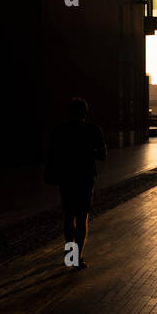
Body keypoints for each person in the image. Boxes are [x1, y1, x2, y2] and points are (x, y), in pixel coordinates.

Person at [46, 97, 107, 268]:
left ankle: (70, 255)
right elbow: (103, 156)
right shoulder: (93, 129)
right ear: (85, 113)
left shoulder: (60, 130)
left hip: (66, 178)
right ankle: (76, 258)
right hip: (85, 178)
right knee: (82, 219)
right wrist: (89, 151)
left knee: (68, 216)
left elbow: (52, 154)